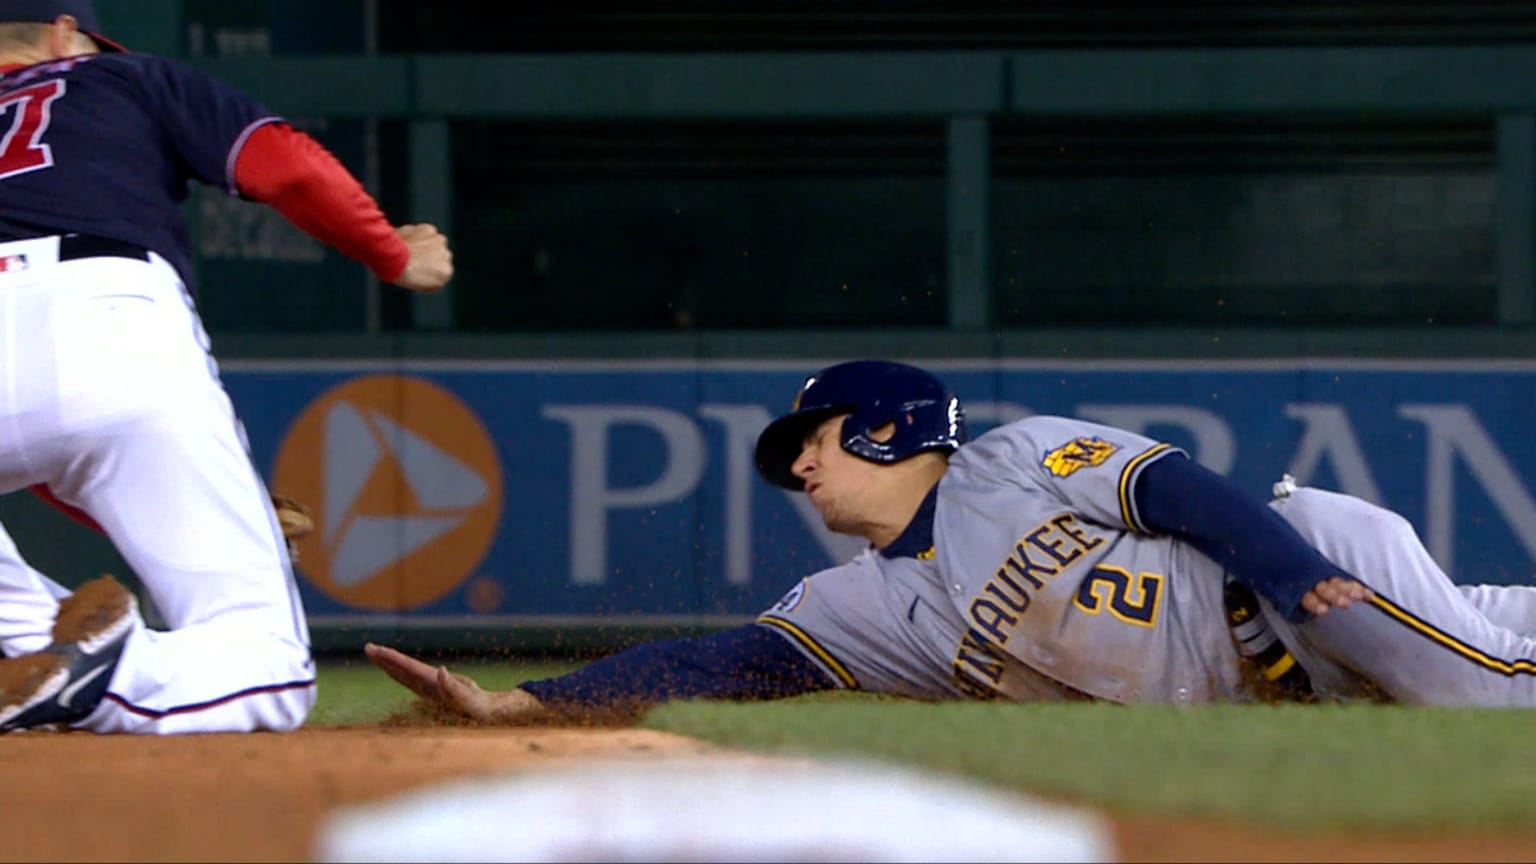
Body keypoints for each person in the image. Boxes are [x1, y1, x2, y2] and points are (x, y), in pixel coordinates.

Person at [368, 358, 1536, 723]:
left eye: (812, 440)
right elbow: (715, 663)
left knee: (1489, 700)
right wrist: (527, 704)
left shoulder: (1012, 460)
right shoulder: (858, 608)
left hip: (1297, 583)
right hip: (1283, 684)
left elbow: (1178, 488)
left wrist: (1298, 572)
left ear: (884, 426)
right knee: (1502, 629)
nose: (802, 466)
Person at [0, 0, 452, 734]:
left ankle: (36, 659)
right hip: (105, 316)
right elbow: (288, 168)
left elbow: (26, 422)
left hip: (81, 350)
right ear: (62, 33)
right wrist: (392, 253)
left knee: (17, 618)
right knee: (266, 667)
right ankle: (104, 674)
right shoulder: (125, 76)